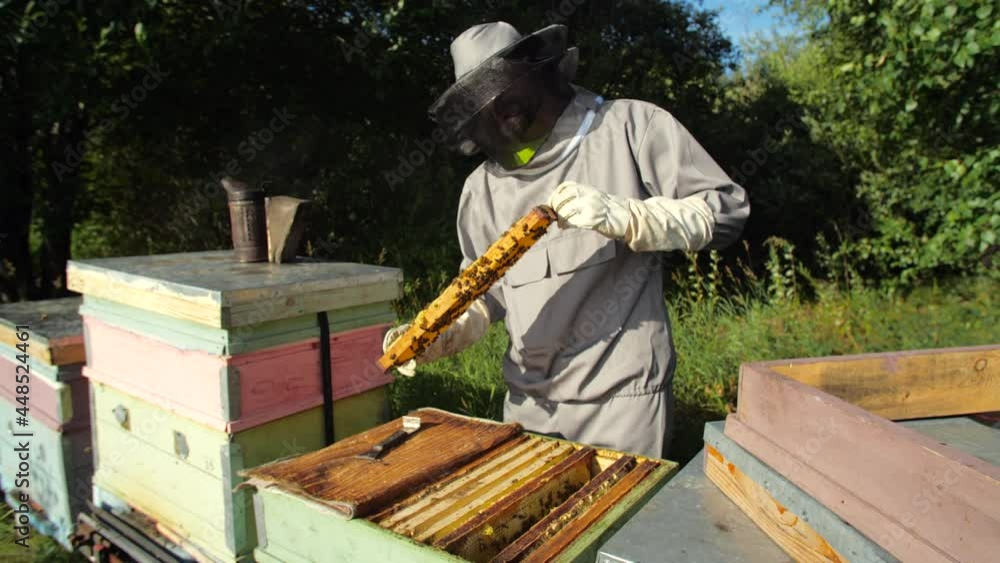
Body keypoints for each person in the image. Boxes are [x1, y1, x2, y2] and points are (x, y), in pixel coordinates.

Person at [383, 22, 749, 458]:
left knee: (624, 506)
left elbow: (725, 211)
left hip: (622, 403)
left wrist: (630, 216)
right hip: (528, 406)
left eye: (502, 87)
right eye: (481, 101)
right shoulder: (481, 190)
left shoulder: (630, 126)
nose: (497, 107)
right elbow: (486, 291)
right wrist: (444, 331)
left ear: (535, 71)